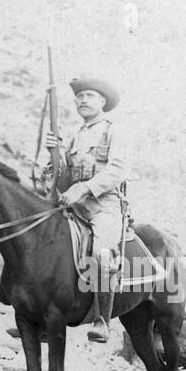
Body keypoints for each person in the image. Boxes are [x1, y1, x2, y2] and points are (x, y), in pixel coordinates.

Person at [37, 75, 128, 343]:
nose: (82, 100)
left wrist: (84, 189)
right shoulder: (75, 136)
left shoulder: (113, 130)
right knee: (40, 244)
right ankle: (40, 316)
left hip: (103, 206)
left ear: (102, 101)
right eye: (79, 97)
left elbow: (118, 170)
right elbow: (62, 180)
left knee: (101, 254)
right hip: (72, 206)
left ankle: (102, 320)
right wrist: (55, 155)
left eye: (89, 96)